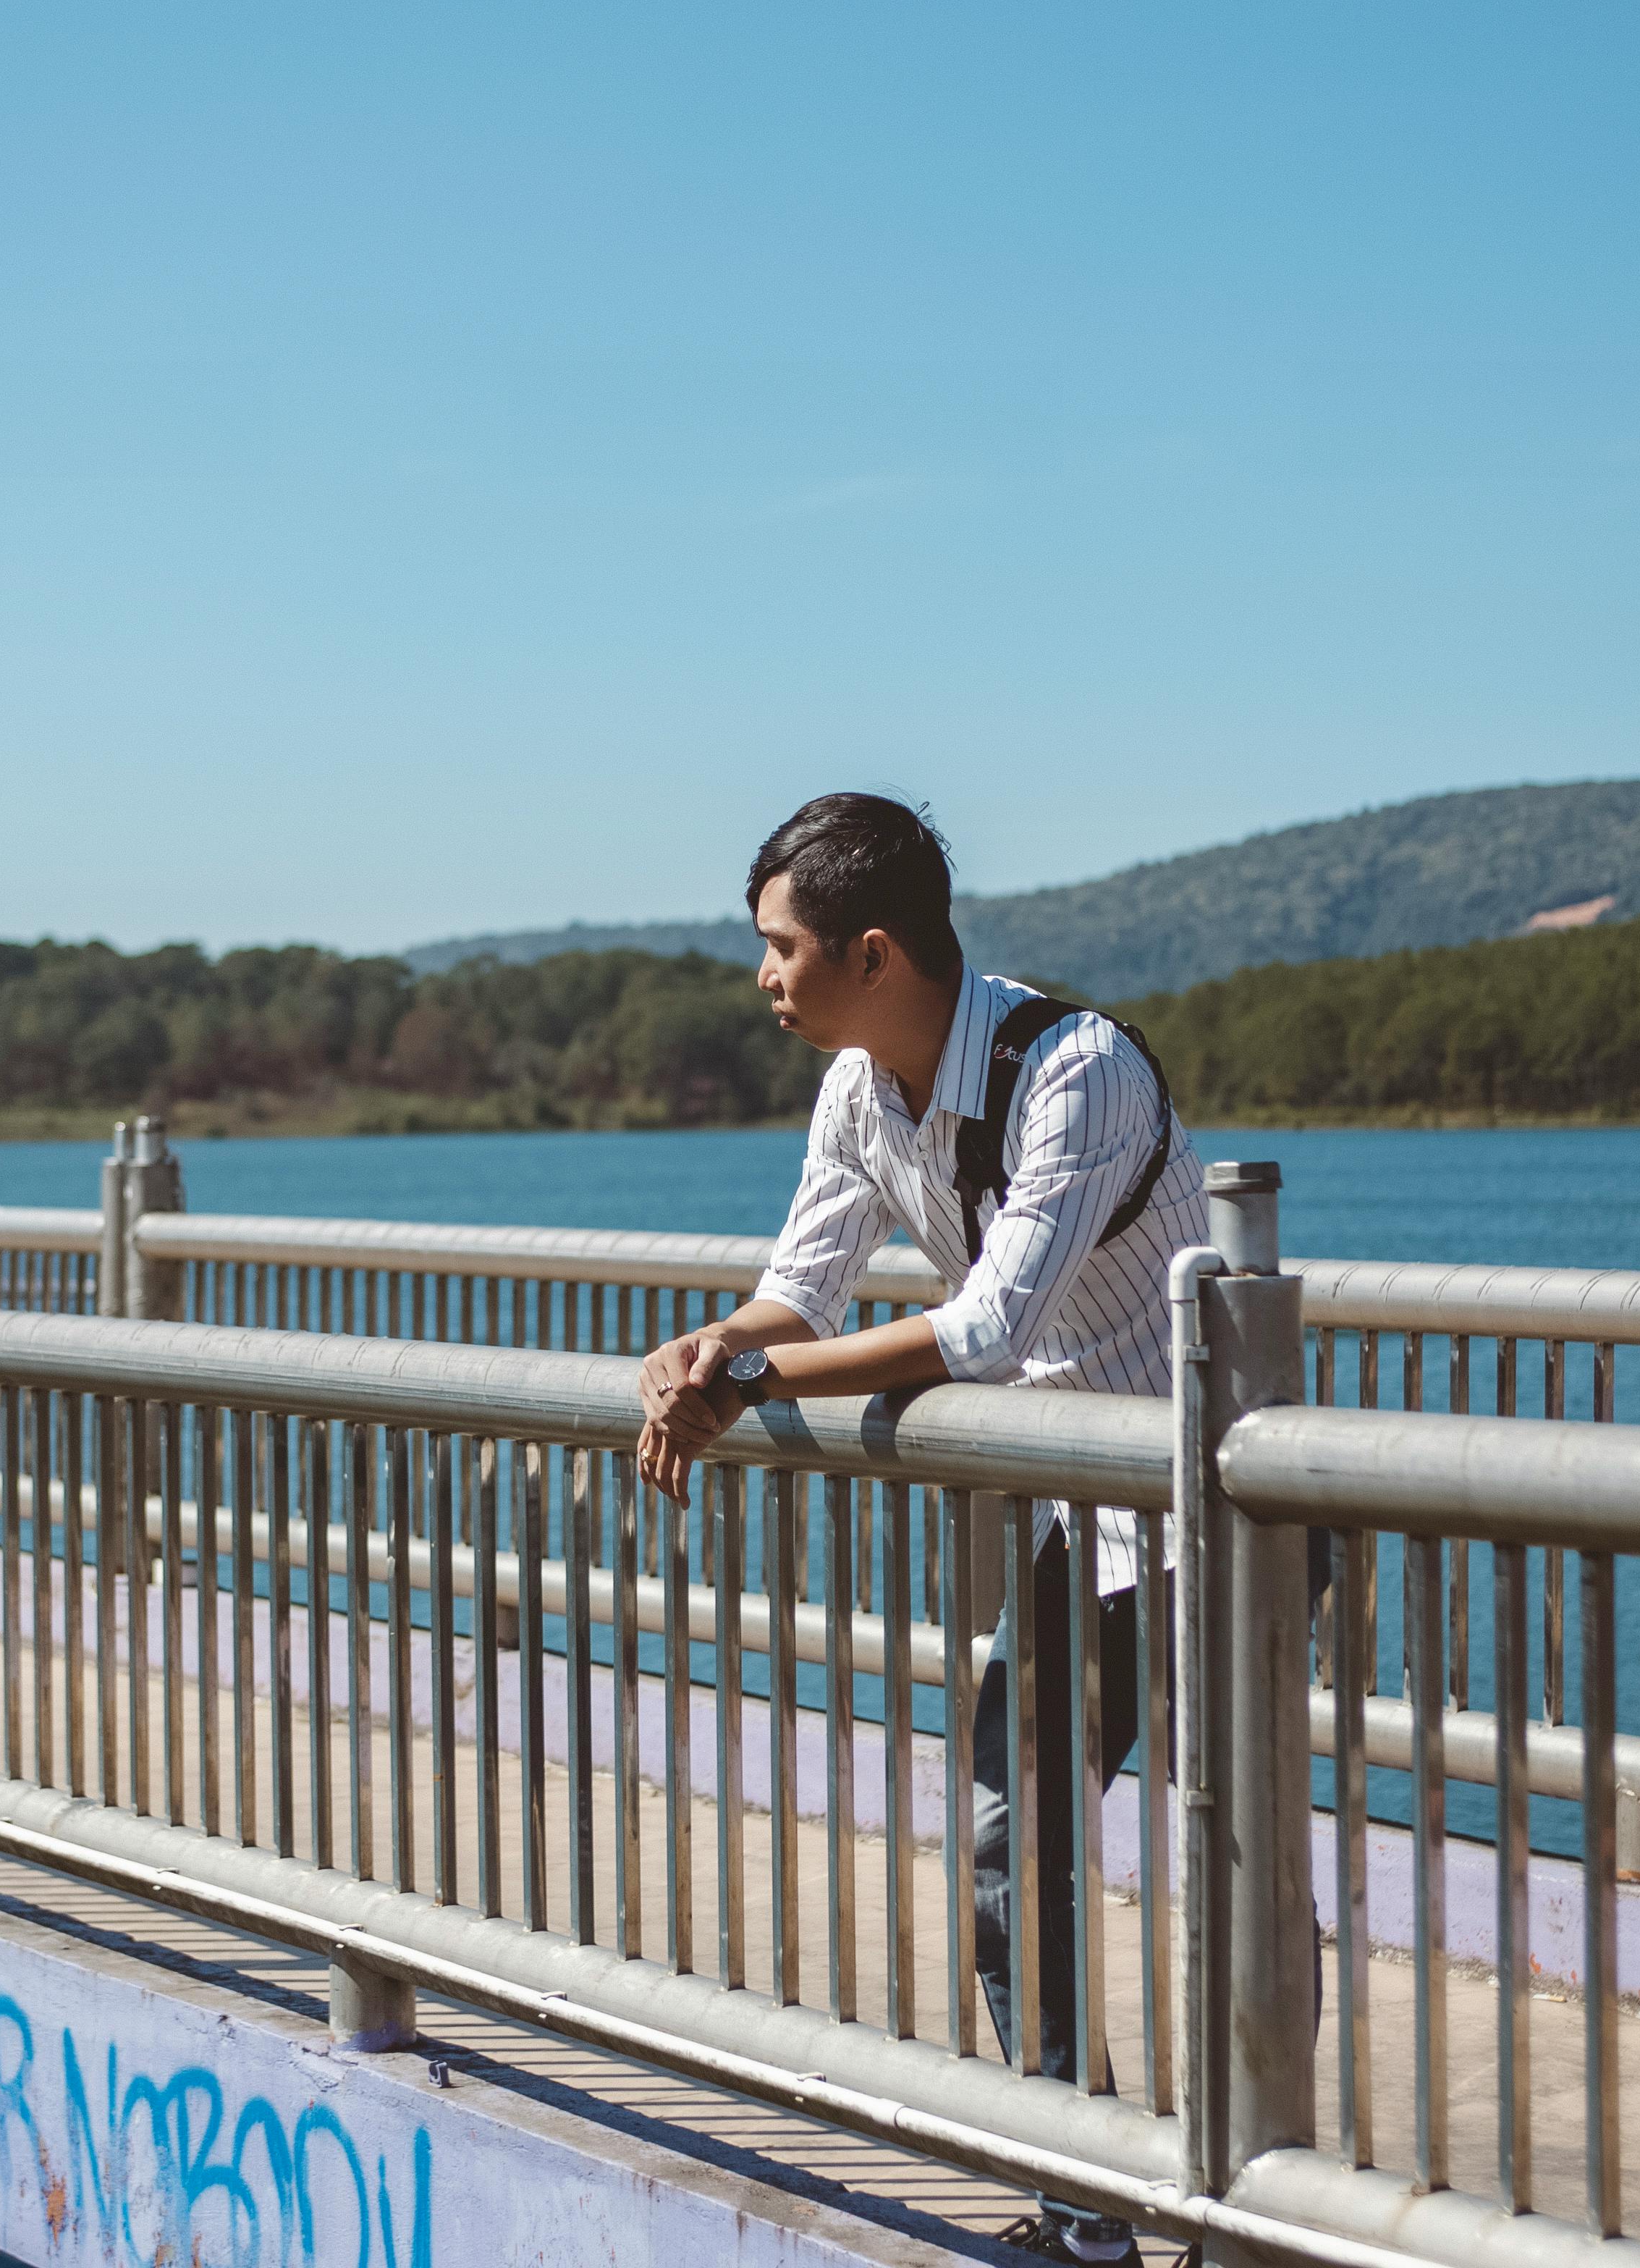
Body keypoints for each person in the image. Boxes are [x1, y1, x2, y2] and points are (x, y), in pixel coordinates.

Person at [636, 793, 1197, 2268]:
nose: (761, 974)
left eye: (779, 947)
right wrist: (709, 1349)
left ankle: (1247, 2207)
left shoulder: (1077, 1070)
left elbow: (987, 1330)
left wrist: (748, 1382)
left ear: (871, 952)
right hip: (1087, 1522)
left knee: (1234, 1873)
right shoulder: (855, 1087)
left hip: (1213, 1520)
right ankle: (1090, 2215)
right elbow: (798, 1295)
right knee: (1022, 1847)